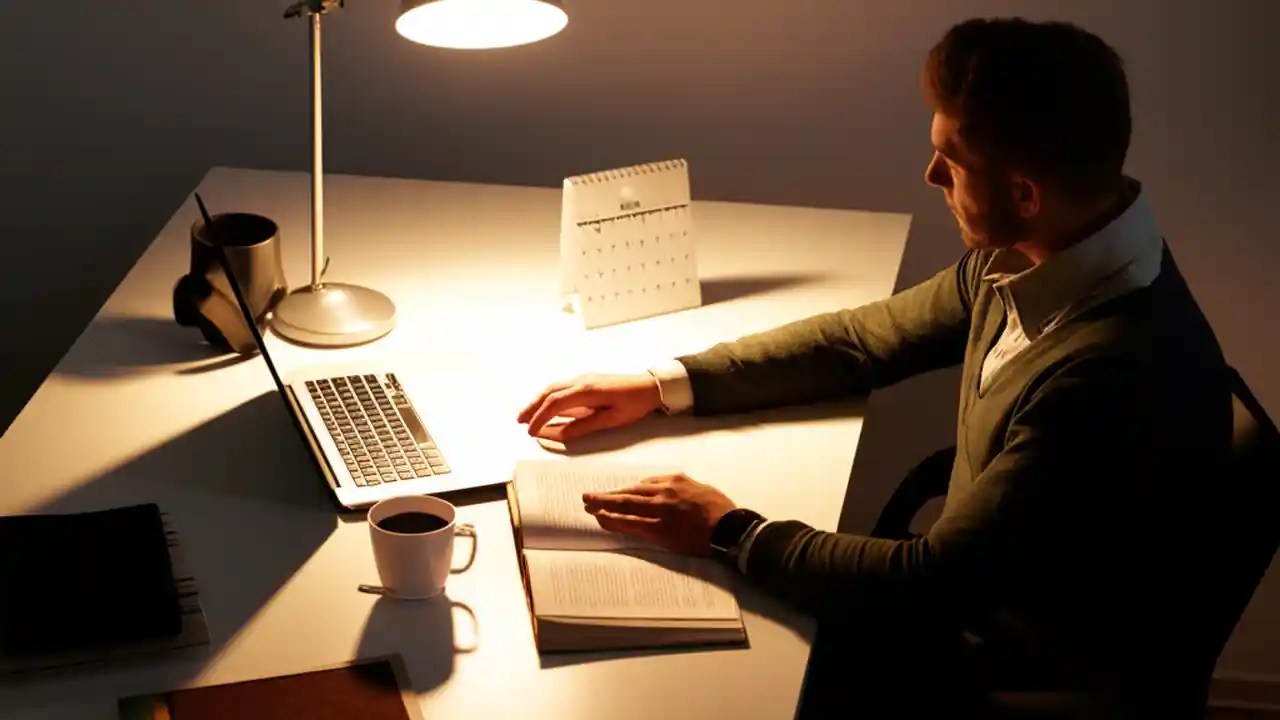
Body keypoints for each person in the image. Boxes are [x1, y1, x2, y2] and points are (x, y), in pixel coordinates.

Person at [518, 17, 1231, 717]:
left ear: (1024, 193)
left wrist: (727, 528)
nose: (930, 176)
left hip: (1021, 655)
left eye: (950, 161)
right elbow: (861, 341)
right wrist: (664, 385)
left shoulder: (1107, 373)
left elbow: (930, 585)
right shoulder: (1052, 253)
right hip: (977, 593)